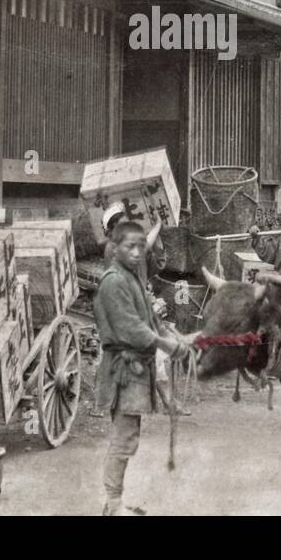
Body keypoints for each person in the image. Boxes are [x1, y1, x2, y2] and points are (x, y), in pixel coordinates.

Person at [93, 220, 194, 516]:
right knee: (124, 438)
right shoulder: (113, 282)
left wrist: (172, 335)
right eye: (130, 247)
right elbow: (131, 328)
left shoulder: (132, 276)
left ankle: (114, 503)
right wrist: (168, 346)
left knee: (129, 436)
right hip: (123, 370)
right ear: (114, 249)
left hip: (136, 368)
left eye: (141, 246)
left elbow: (149, 318)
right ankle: (113, 505)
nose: (138, 253)